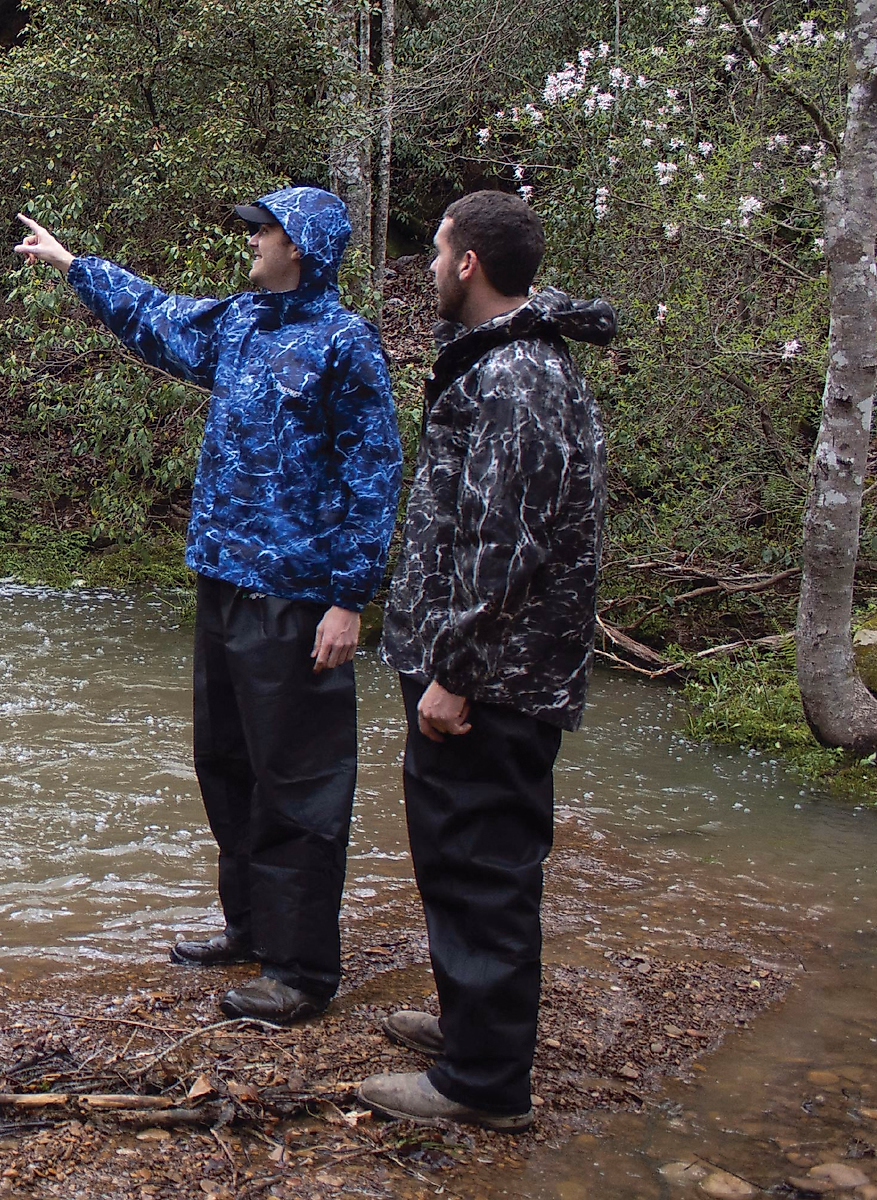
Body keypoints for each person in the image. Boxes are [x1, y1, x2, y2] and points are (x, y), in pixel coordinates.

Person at [13, 186, 402, 1025]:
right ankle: (251, 929)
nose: (251, 241)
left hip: (299, 596)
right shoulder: (239, 323)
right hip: (222, 580)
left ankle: (300, 971)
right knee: (226, 764)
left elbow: (375, 478)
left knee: (299, 782)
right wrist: (73, 264)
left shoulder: (346, 343)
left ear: (300, 246)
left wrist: (349, 600)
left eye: (264, 231)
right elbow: (156, 316)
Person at [356, 190, 616, 1127]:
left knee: (483, 867)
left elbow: (507, 543)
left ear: (468, 263)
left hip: (495, 678)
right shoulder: (504, 360)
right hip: (481, 666)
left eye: (437, 251)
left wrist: (455, 674)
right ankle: (470, 1028)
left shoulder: (518, 378)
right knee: (456, 855)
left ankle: (484, 1084)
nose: (429, 266)